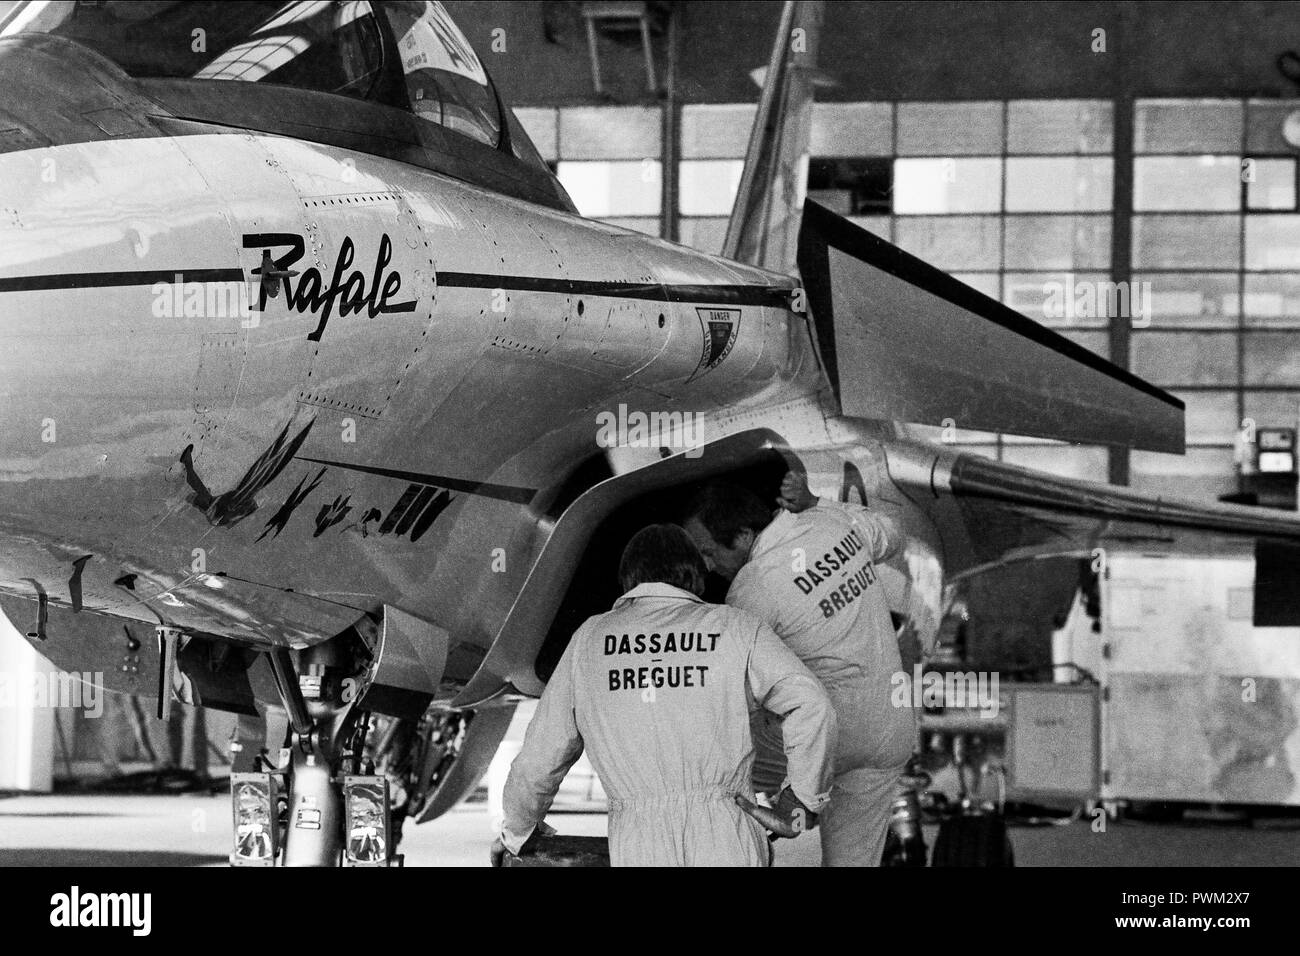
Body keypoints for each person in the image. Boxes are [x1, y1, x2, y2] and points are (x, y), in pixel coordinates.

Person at [493, 523, 836, 867]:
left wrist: (517, 830)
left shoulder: (590, 639)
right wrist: (801, 800)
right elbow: (811, 703)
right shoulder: (735, 627)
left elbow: (541, 753)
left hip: (640, 843)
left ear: (628, 580)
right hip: (728, 835)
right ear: (696, 576)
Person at [683, 471, 914, 867]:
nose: (705, 566)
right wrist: (821, 504)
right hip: (890, 729)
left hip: (830, 737)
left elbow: (736, 692)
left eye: (707, 552)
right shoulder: (831, 522)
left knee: (706, 763)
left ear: (741, 535)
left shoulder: (752, 586)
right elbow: (893, 534)